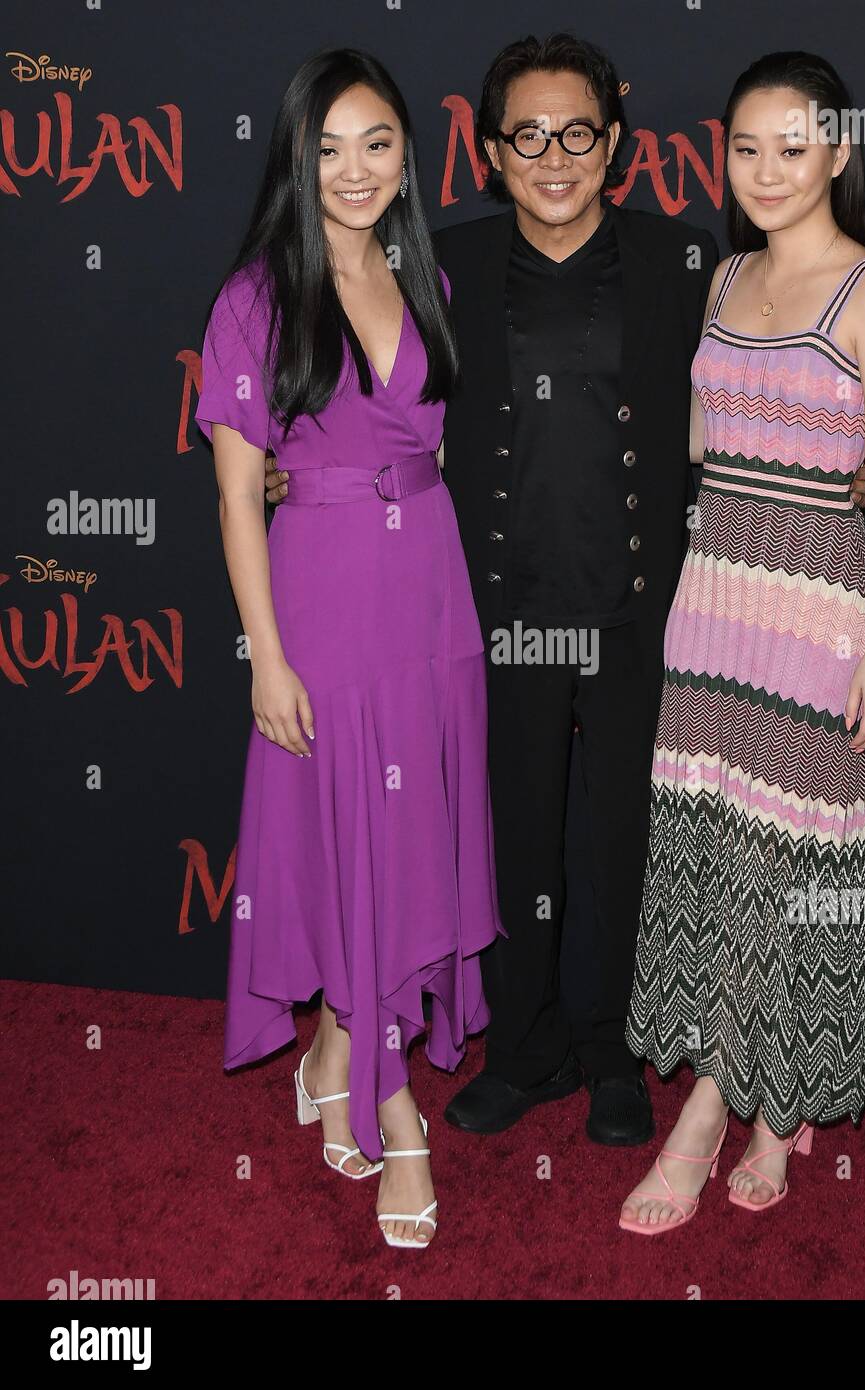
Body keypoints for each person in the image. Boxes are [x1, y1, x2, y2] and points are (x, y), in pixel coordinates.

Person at [265, 33, 865, 1152]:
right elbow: (358, 384)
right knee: (514, 837)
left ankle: (610, 1046)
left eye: (577, 132)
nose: (554, 155)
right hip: (496, 613)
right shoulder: (439, 264)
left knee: (623, 840)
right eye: (527, 134)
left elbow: (771, 392)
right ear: (490, 149)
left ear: (615, 146)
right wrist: (285, 466)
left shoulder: (684, 264)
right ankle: (527, 1045)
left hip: (647, 609)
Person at [196, 47, 503, 1249]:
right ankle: (393, 1113)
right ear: (292, 157)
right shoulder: (254, 296)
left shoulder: (419, 266)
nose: (355, 170)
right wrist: (265, 655)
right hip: (320, 597)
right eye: (326, 148)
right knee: (347, 837)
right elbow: (234, 499)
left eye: (377, 143)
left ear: (407, 156)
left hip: (430, 587)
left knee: (408, 832)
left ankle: (336, 1033)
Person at [620, 51, 865, 1232]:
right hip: (712, 604)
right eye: (743, 149)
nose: (764, 171)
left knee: (791, 860)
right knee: (713, 842)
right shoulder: (724, 278)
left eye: (792, 147)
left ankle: (734, 1107)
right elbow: (702, 443)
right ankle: (744, 1087)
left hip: (815, 607)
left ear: (840, 151)